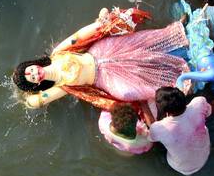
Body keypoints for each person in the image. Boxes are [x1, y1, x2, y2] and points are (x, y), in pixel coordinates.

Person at [13, 7, 188, 116]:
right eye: (32, 78)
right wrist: (27, 98)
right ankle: (176, 85)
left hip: (100, 53)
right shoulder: (60, 86)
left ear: (33, 64)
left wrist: (98, 25)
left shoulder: (57, 54)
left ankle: (173, 34)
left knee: (139, 41)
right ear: (36, 84)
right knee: (127, 93)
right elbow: (38, 102)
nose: (34, 74)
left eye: (30, 71)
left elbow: (77, 37)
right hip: (103, 79)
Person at [146, 87, 212, 176]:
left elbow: (151, 137)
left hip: (183, 168)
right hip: (206, 154)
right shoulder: (199, 102)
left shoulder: (158, 128)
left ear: (166, 112)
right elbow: (209, 112)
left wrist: (144, 106)